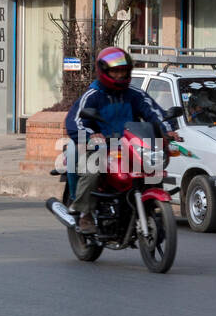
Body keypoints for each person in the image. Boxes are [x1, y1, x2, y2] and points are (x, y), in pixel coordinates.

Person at [63, 47, 175, 234]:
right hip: (102, 146)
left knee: (151, 168)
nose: (119, 75)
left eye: (123, 70)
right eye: (115, 71)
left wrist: (167, 130)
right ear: (104, 71)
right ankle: (85, 214)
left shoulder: (134, 94)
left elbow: (154, 113)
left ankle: (150, 209)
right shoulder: (93, 95)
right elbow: (75, 121)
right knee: (92, 169)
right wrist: (91, 134)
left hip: (130, 145)